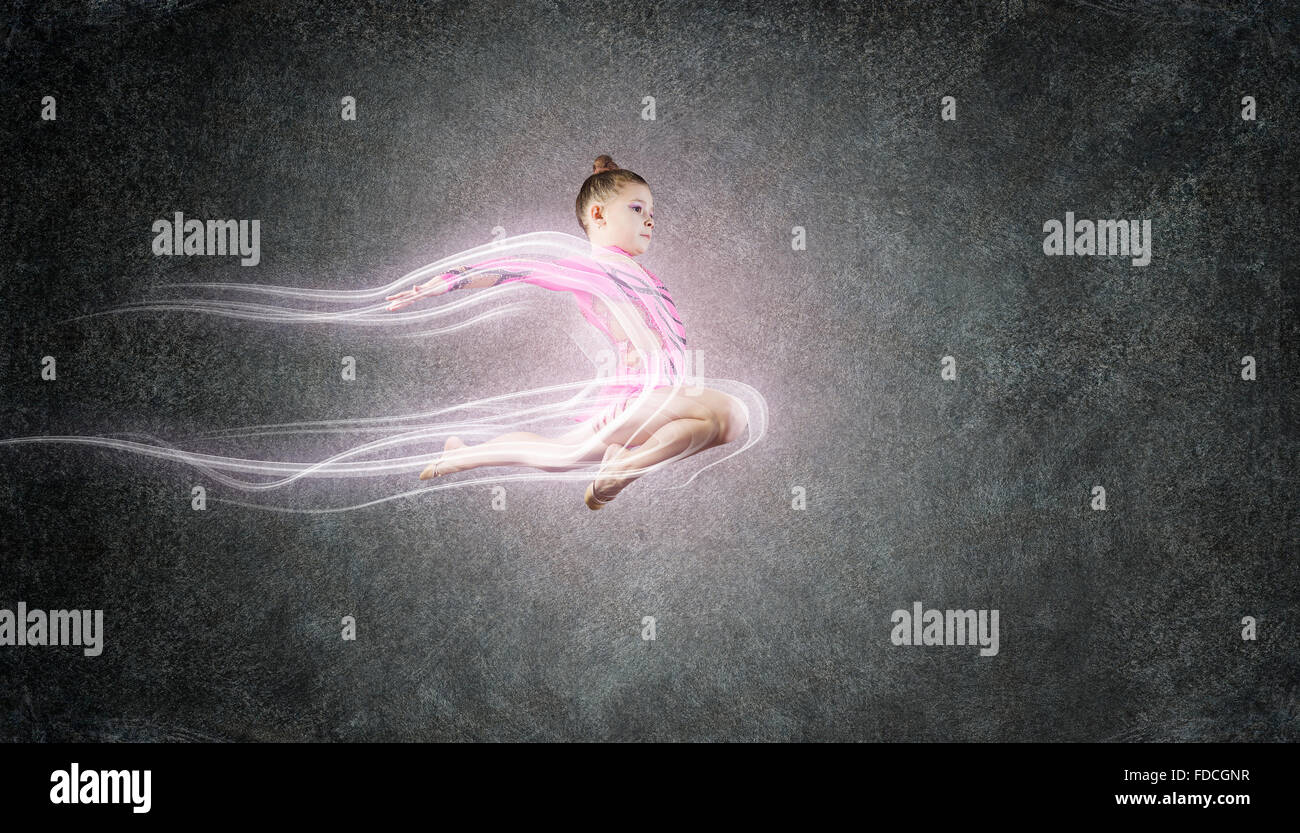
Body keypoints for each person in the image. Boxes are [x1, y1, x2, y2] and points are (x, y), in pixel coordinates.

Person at [385, 155, 747, 509]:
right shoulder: (597, 268)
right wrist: (452, 279)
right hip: (643, 399)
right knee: (730, 415)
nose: (650, 221)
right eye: (637, 209)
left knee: (557, 454)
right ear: (598, 214)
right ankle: (620, 468)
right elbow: (524, 268)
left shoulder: (639, 275)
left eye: (652, 214)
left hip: (640, 404)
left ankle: (463, 455)